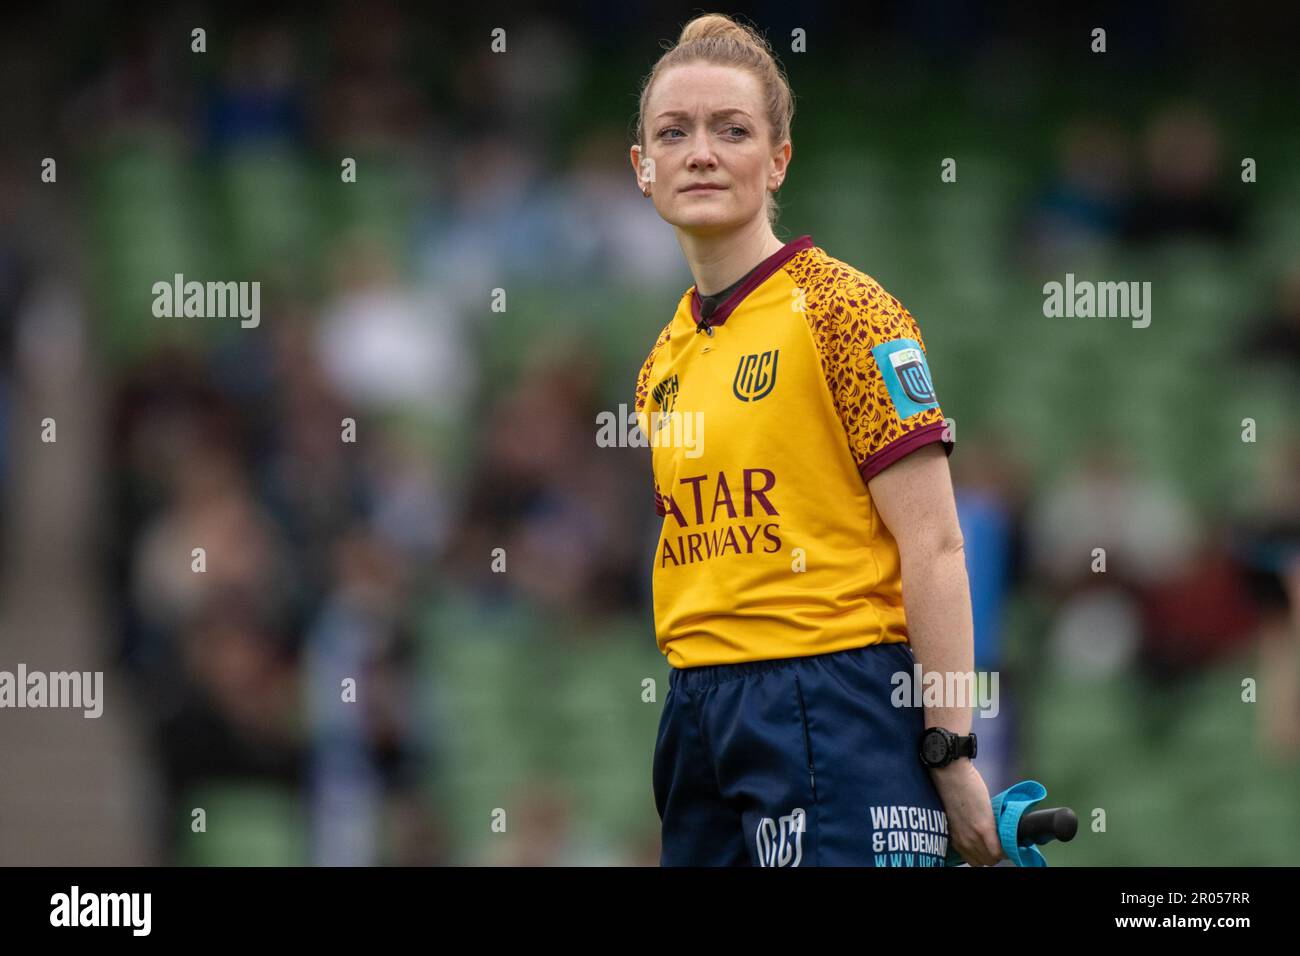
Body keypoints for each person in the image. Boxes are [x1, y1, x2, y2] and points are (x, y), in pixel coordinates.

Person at [629, 13, 1003, 867]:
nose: (701, 153)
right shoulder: (662, 363)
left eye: (733, 130)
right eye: (672, 133)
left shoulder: (845, 310)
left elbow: (938, 545)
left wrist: (949, 746)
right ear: (642, 168)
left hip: (834, 695)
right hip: (696, 715)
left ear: (779, 158)